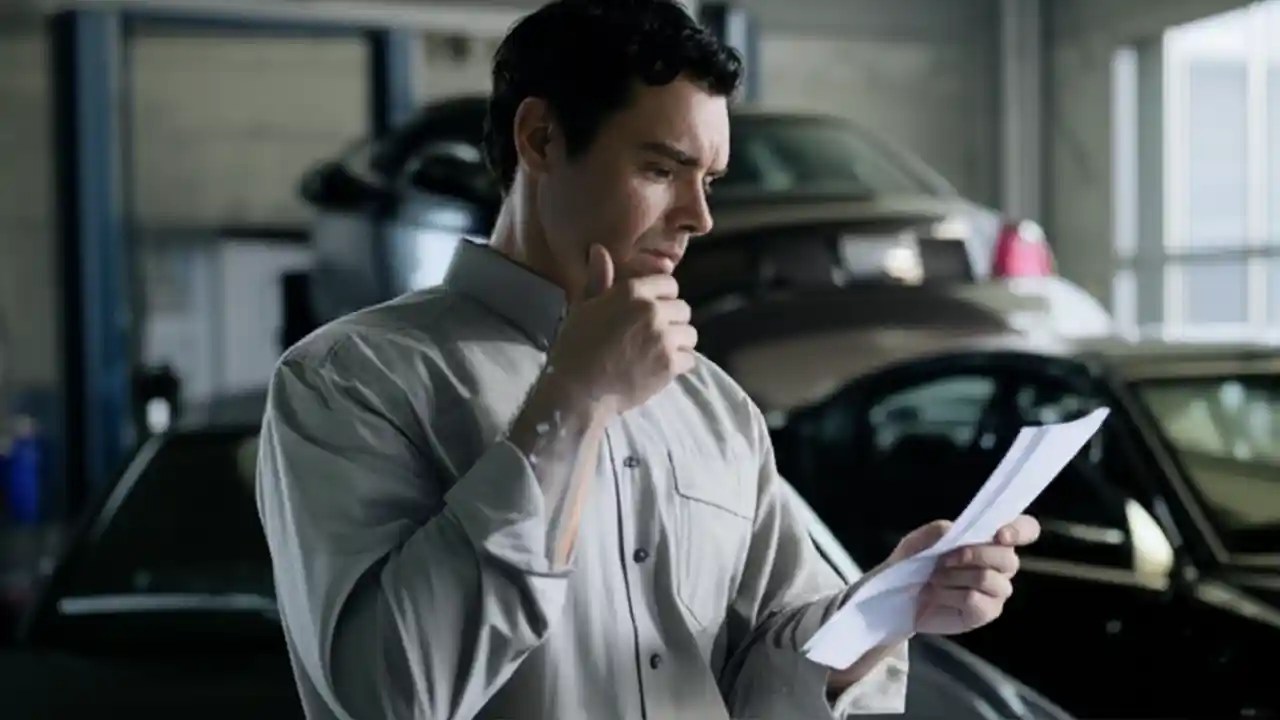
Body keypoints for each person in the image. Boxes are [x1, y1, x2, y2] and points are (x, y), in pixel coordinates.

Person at [255, 1, 1040, 718]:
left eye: (709, 180)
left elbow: (759, 680)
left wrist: (886, 608)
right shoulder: (349, 380)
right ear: (540, 138)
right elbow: (389, 694)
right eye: (661, 170)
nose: (699, 216)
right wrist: (575, 400)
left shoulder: (717, 408)